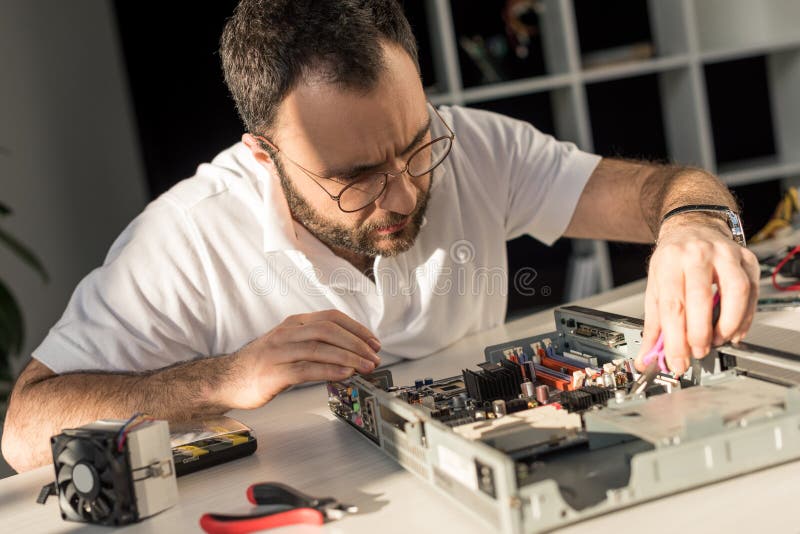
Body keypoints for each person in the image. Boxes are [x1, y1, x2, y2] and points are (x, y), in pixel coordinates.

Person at [2, 0, 759, 472]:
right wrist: (220, 379)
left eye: (414, 144)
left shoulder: (475, 145)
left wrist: (693, 225)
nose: (402, 192)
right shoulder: (185, 236)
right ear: (263, 154)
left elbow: (664, 192)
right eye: (356, 173)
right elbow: (24, 429)